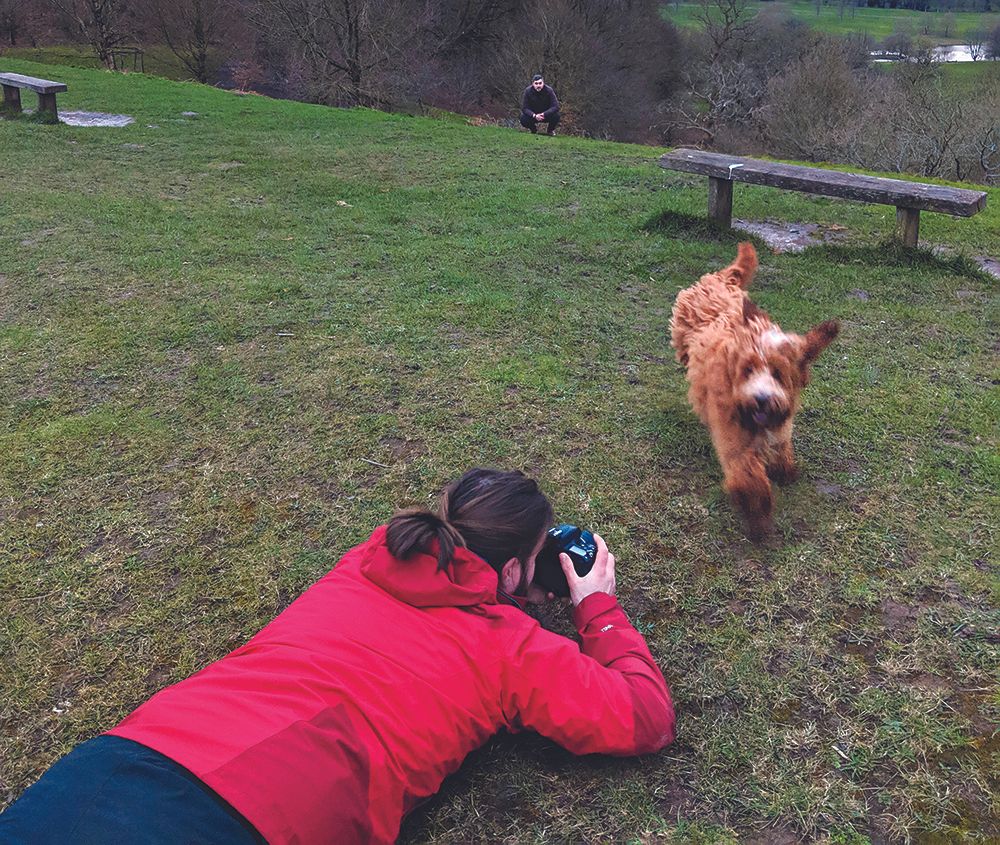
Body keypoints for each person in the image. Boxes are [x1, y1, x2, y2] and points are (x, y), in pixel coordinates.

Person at [0, 468, 675, 845]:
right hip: (260, 817)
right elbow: (643, 716)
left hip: (123, 760)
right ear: (510, 575)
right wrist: (594, 604)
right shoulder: (514, 648)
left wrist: (512, 578)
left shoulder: (367, 560)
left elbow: (445, 590)